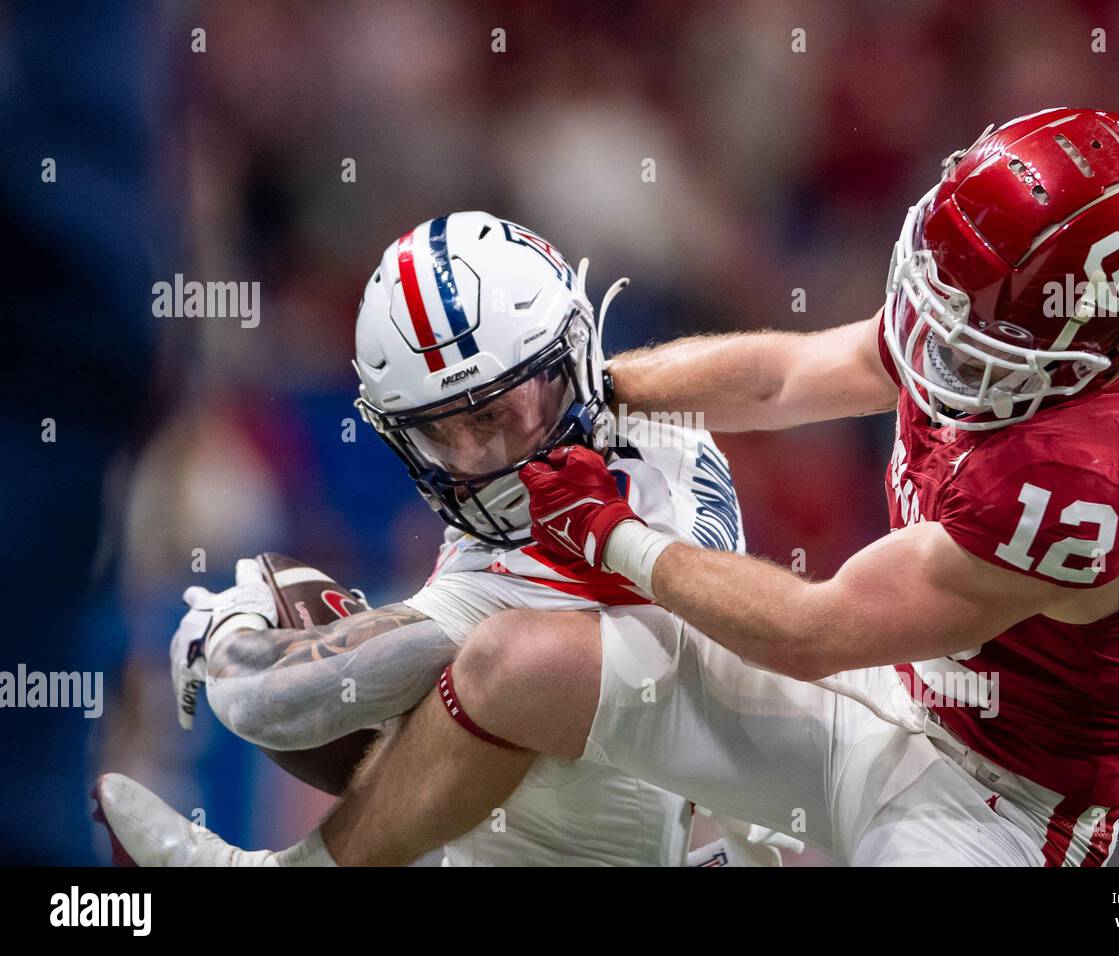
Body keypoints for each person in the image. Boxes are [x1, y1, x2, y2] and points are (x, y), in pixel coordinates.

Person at [98, 108, 1119, 866]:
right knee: (515, 660)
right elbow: (789, 372)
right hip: (896, 697)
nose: (938, 348)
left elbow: (821, 630)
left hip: (996, 797)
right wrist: (586, 393)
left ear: (1086, 355)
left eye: (977, 343)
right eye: (946, 304)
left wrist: (613, 531)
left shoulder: (1088, 479)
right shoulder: (1014, 328)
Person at [97, 212, 787, 866]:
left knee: (498, 673)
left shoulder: (555, 552)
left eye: (498, 414)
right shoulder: (661, 436)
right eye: (440, 432)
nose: (479, 460)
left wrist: (228, 632)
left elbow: (274, 699)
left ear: (568, 361)